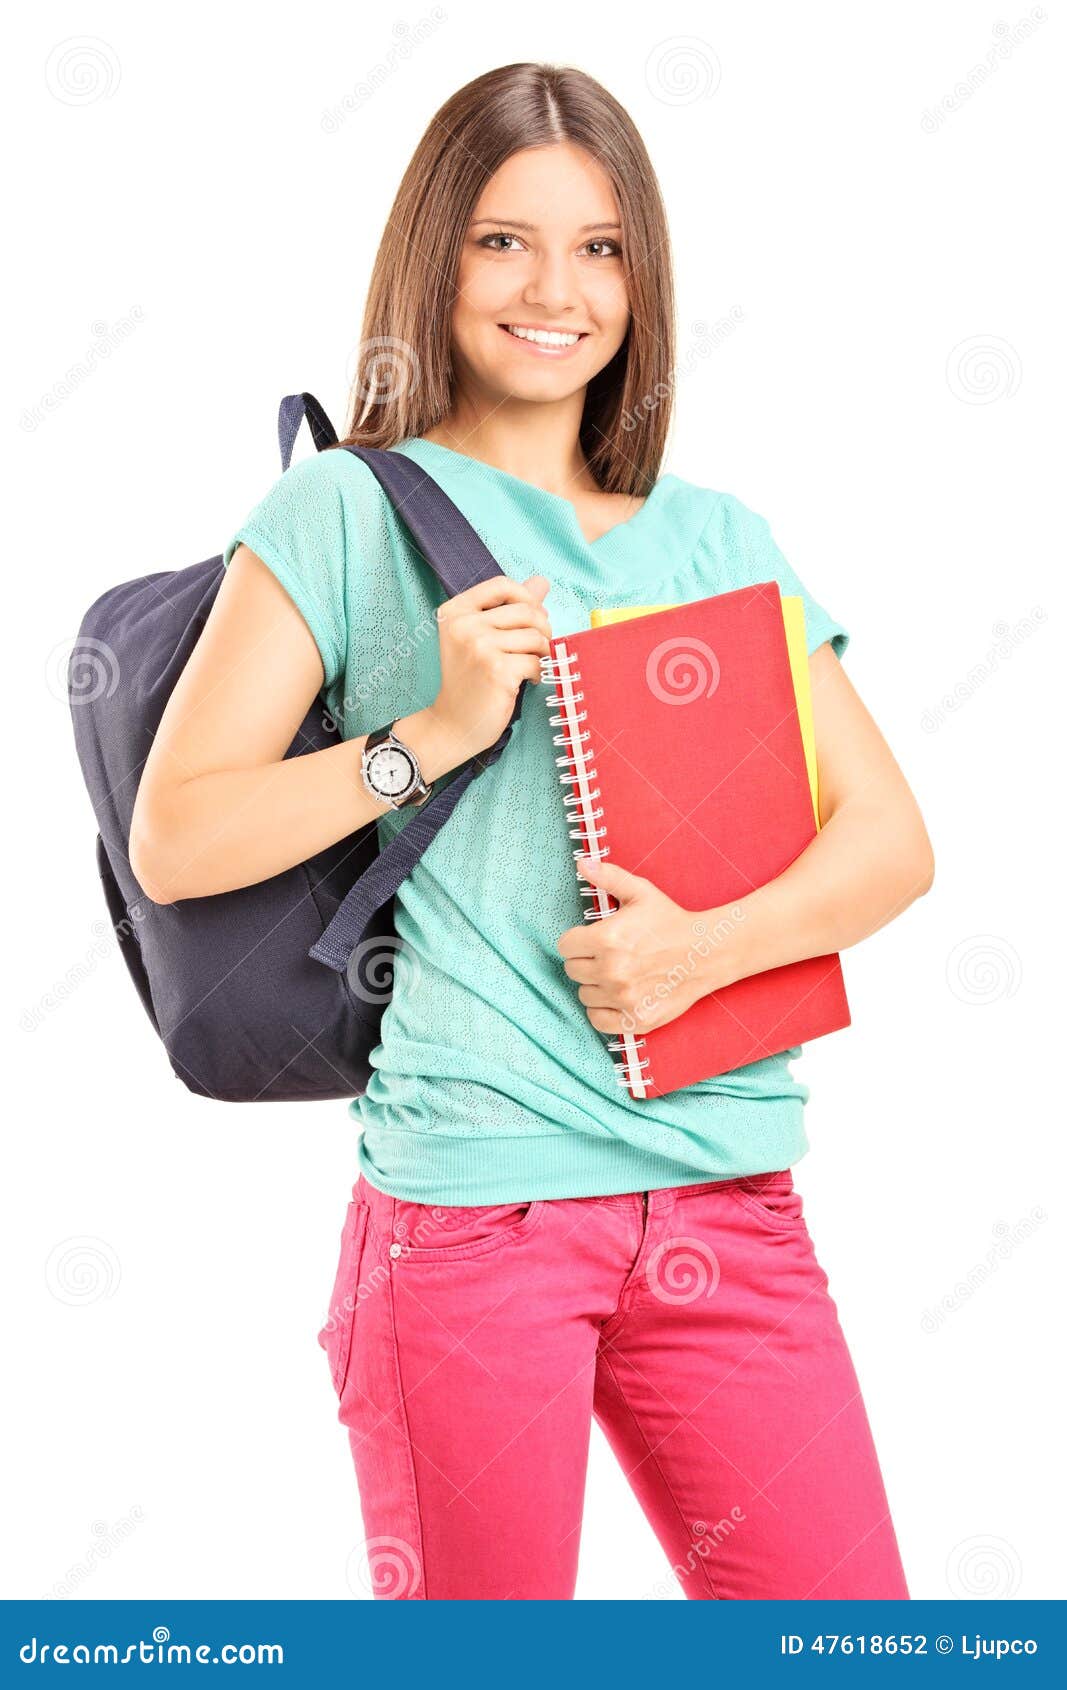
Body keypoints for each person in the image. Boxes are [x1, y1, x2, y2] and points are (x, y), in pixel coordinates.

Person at [129, 62, 933, 1601]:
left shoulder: (717, 538)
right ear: (437, 258)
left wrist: (703, 952)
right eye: (504, 241)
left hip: (732, 1201)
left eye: (601, 248)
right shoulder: (348, 514)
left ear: (644, 281)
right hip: (473, 1222)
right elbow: (178, 835)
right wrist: (425, 739)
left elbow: (891, 839)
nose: (555, 289)